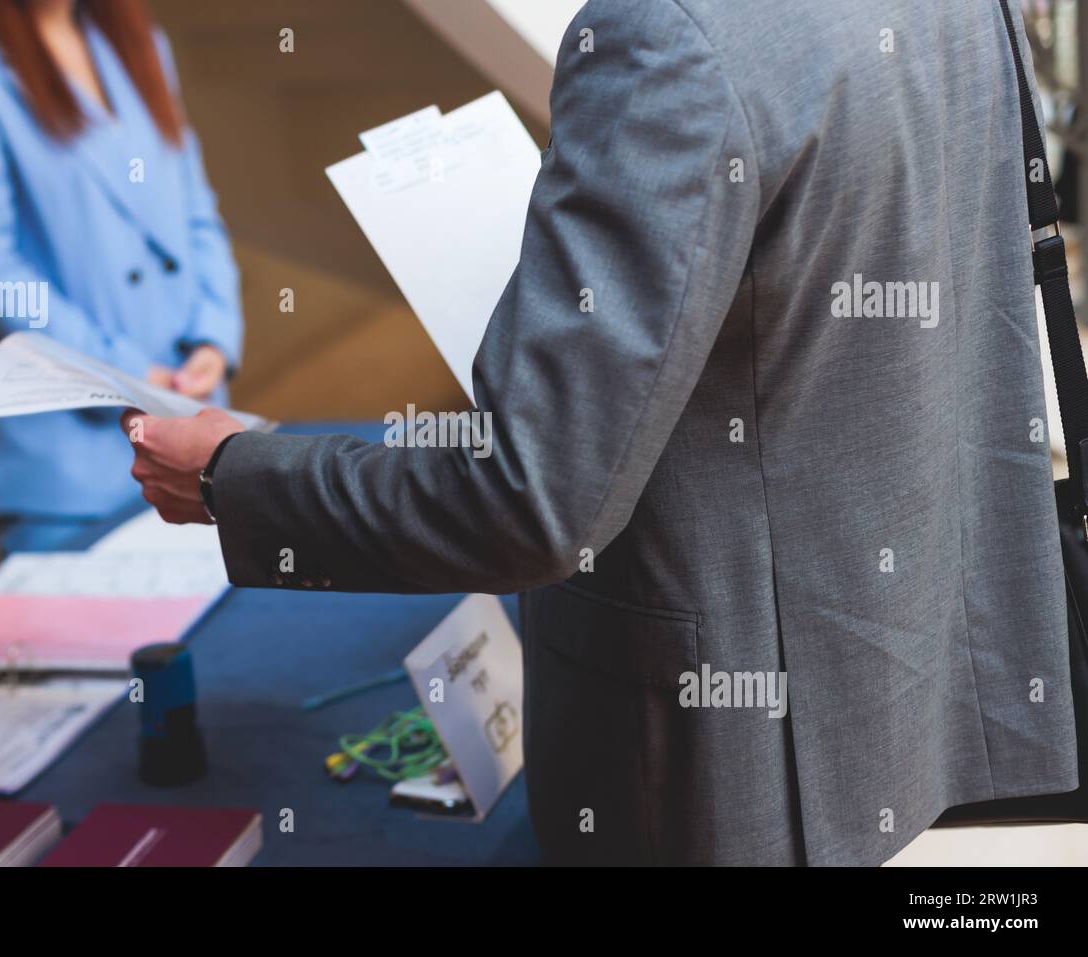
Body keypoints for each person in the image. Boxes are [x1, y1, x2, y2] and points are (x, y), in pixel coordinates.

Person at [123, 0, 1079, 865]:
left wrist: (231, 478)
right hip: (899, 678)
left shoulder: (665, 36)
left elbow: (528, 499)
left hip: (730, 755)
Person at [0, 0, 244, 554]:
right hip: (70, 463)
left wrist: (215, 334)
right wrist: (129, 376)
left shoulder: (139, 44)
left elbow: (195, 208)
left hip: (192, 413)